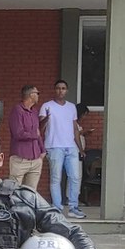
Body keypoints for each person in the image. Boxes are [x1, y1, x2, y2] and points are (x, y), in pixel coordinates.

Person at [39, 79, 84, 219]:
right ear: (54, 90)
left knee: (75, 177)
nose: (61, 91)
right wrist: (46, 118)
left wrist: (80, 148)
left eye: (63, 88)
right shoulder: (46, 106)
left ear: (67, 90)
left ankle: (73, 207)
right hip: (54, 146)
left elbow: (75, 128)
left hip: (71, 147)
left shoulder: (71, 107)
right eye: (58, 88)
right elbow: (40, 128)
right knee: (55, 178)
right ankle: (57, 208)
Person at [8, 84, 45, 189]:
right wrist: (34, 134)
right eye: (37, 93)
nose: (38, 95)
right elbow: (18, 133)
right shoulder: (17, 110)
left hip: (36, 158)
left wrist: (42, 150)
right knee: (14, 190)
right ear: (31, 95)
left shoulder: (34, 111)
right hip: (20, 157)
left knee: (31, 192)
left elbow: (38, 132)